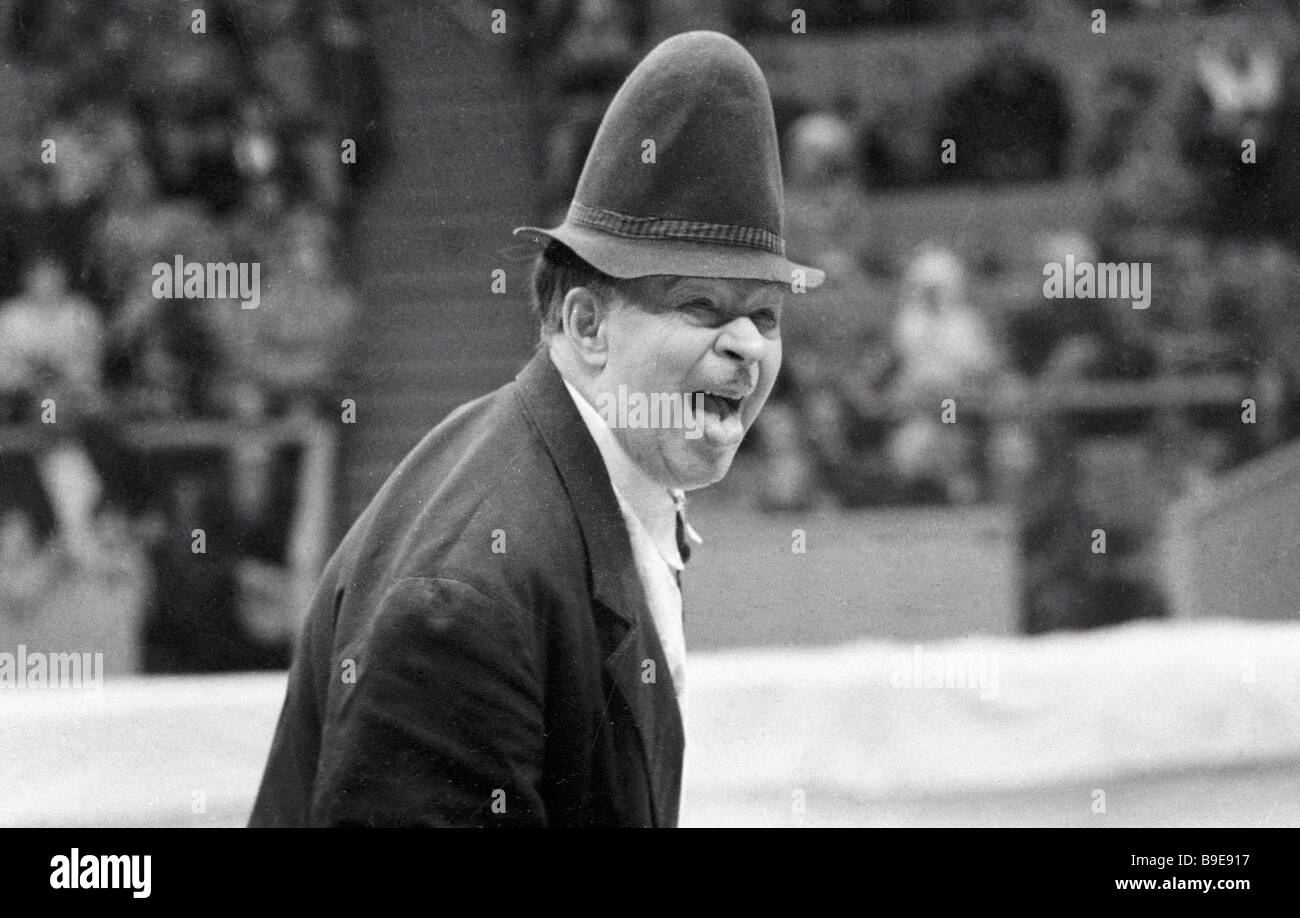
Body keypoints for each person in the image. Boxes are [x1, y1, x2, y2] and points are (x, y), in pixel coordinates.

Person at [250, 31, 823, 828]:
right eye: (701, 306)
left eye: (766, 315)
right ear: (587, 326)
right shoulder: (468, 601)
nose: (748, 346)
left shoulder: (588, 490)